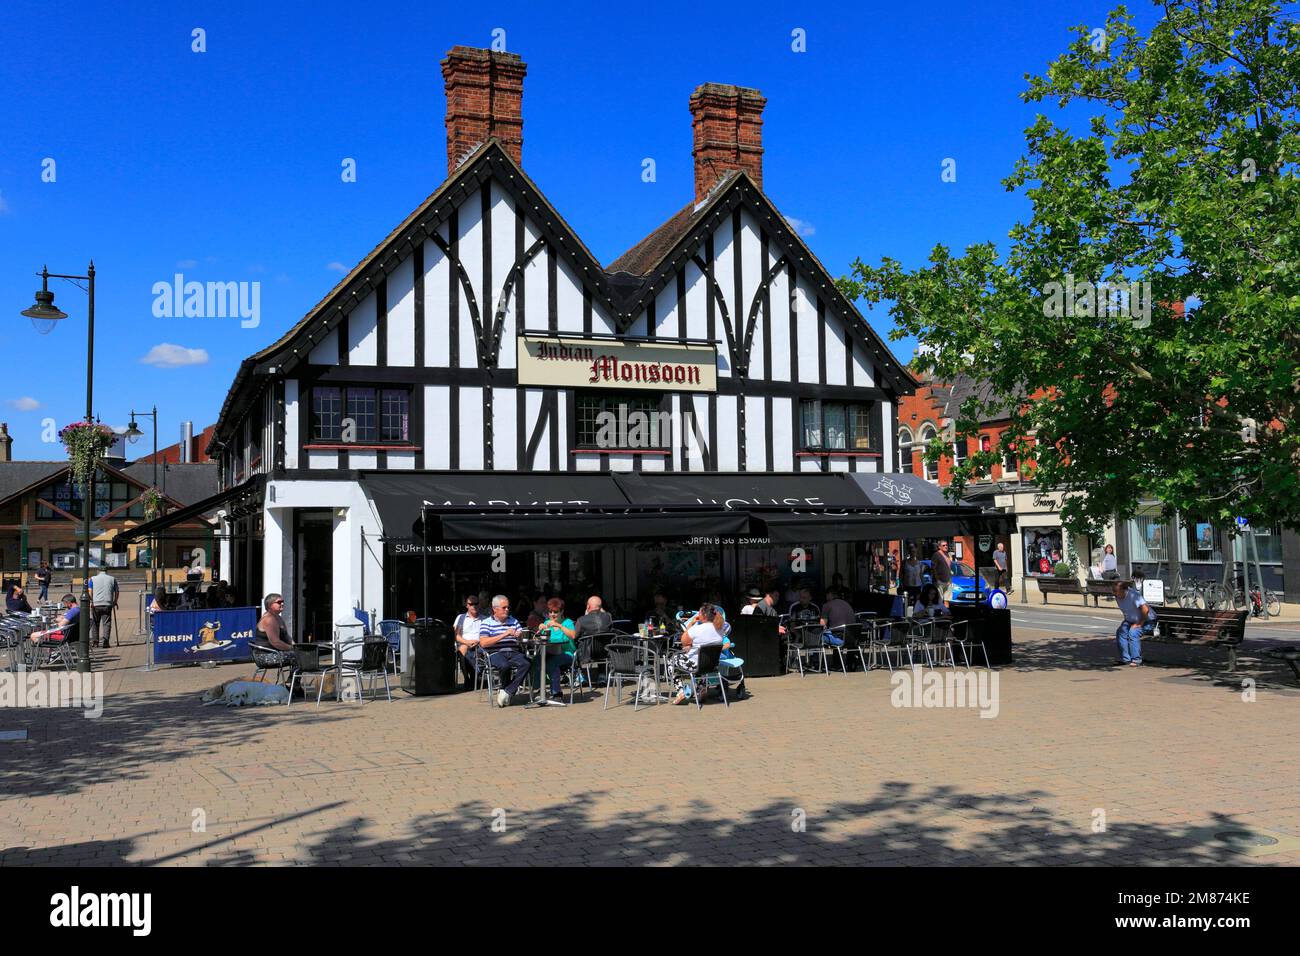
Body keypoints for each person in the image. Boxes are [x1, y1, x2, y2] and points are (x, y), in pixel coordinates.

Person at [667, 603, 727, 705]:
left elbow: (684, 641)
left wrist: (691, 624)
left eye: (699, 612)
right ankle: (700, 689)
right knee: (698, 664)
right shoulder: (720, 629)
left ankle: (681, 690)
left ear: (703, 615)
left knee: (671, 660)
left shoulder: (697, 629)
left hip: (695, 664)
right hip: (712, 665)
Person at [479, 594, 532, 707]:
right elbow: (483, 643)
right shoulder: (486, 623)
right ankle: (506, 690)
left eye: (508, 607)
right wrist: (504, 634)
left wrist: (520, 636)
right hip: (495, 653)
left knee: (526, 663)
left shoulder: (514, 621)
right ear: (495, 609)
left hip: (513, 651)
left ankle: (507, 691)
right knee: (504, 665)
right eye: (504, 607)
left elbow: (523, 639)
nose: (507, 610)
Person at [534, 597, 576, 699]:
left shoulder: (567, 622)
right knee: (537, 659)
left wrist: (559, 625)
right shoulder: (547, 623)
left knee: (552, 662)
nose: (552, 614)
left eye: (555, 612)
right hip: (550, 652)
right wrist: (539, 630)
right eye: (550, 612)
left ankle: (556, 692)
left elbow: (573, 635)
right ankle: (541, 690)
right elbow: (536, 638)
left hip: (567, 654)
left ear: (562, 612)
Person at [1112, 580, 1156, 667]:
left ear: (1124, 590)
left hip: (1147, 621)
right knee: (1121, 632)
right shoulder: (1117, 597)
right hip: (1131, 621)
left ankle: (1136, 660)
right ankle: (1126, 659)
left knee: (1133, 632)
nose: (1114, 593)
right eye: (1113, 590)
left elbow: (1145, 609)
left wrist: (1139, 623)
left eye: (1116, 591)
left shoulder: (1133, 595)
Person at [257, 593, 298, 684]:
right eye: (279, 602)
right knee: (300, 657)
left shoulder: (278, 618)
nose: (282, 604)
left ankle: (294, 684)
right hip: (265, 656)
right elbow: (275, 642)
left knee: (302, 654)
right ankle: (293, 685)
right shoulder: (269, 620)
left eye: (282, 601)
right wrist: (292, 648)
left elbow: (286, 636)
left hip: (274, 653)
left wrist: (296, 646)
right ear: (270, 605)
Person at [453, 594, 485, 684]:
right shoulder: (461, 618)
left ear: (479, 604)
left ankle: (476, 677)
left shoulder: (484, 619)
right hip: (464, 643)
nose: (474, 606)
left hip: (480, 644)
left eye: (476, 604)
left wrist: (478, 641)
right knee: (463, 648)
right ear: (467, 605)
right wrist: (467, 642)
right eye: (471, 604)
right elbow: (456, 635)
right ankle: (467, 679)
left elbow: (488, 635)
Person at [88, 567, 119, 650]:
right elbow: (117, 591)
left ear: (98, 571)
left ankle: (95, 642)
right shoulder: (112, 579)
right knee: (107, 623)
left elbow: (90, 591)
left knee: (95, 623)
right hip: (107, 604)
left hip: (96, 604)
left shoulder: (92, 579)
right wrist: (115, 601)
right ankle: (106, 642)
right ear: (106, 571)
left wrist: (91, 601)